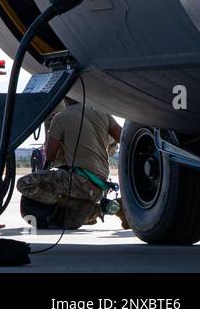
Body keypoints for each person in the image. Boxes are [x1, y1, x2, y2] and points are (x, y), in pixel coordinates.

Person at [17, 99, 122, 230]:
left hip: (79, 182)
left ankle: (64, 201)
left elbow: (50, 155)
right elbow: (122, 138)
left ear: (65, 98)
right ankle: (95, 209)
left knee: (23, 184)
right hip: (101, 187)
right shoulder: (103, 113)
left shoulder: (61, 117)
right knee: (70, 223)